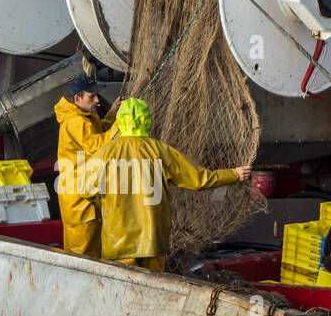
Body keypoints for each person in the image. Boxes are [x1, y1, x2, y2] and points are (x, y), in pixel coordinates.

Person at [91, 98, 252, 272]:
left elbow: (82, 189)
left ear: (120, 120)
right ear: (146, 120)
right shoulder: (160, 150)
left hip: (117, 243)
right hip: (152, 240)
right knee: (153, 290)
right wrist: (234, 174)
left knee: (120, 292)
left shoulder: (105, 153)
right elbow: (198, 179)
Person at [53, 71, 122, 258]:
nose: (97, 99)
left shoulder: (83, 115)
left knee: (88, 249)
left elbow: (96, 134)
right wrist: (121, 124)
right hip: (79, 202)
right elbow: (98, 145)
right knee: (81, 254)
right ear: (77, 98)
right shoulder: (76, 122)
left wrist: (111, 115)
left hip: (83, 196)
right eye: (92, 96)